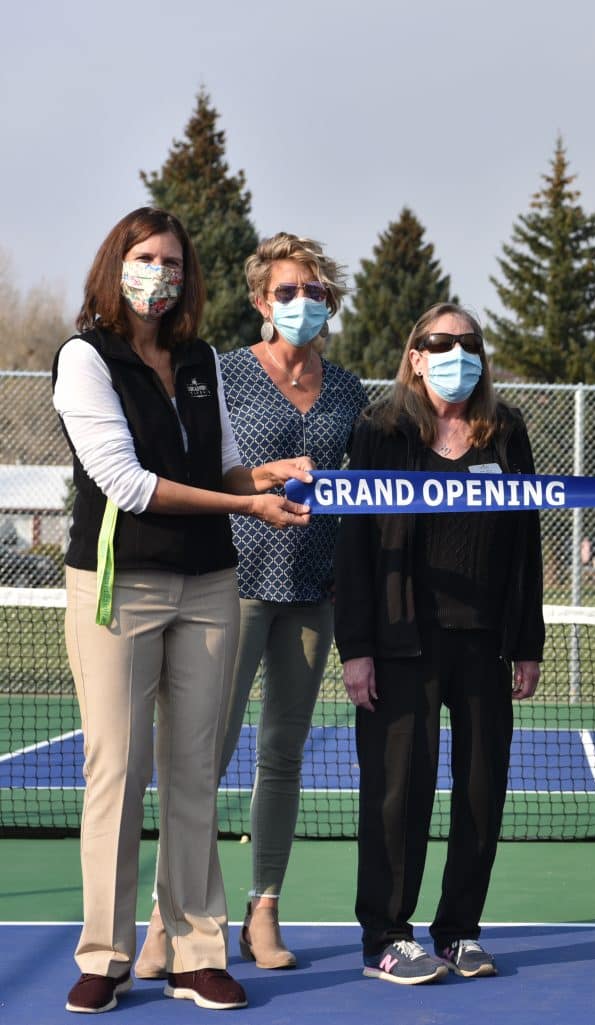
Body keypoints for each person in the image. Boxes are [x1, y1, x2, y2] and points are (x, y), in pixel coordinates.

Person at [51, 207, 313, 1013]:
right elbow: (128, 485)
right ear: (116, 265)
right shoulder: (84, 358)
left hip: (209, 588)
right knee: (118, 774)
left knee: (195, 772)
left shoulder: (199, 359)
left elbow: (225, 467)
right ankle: (106, 953)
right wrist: (248, 508)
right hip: (118, 588)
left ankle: (199, 953)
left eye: (172, 262)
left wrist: (267, 478)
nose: (159, 274)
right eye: (145, 258)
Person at [136, 233, 368, 978]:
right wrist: (264, 477)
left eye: (316, 291)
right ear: (262, 300)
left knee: (284, 756)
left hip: (313, 594)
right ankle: (170, 918)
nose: (303, 303)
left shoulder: (348, 390)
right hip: (227, 587)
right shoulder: (223, 373)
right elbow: (204, 469)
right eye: (288, 291)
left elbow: (357, 491)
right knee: (201, 758)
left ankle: (263, 907)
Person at [333, 303, 544, 985]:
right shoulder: (380, 429)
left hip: (485, 642)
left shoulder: (505, 430)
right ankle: (387, 935)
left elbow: (528, 537)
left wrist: (528, 639)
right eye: (440, 341)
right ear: (414, 355)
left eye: (468, 342)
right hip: (400, 644)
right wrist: (356, 645)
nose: (456, 351)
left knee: (482, 792)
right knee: (399, 796)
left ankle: (458, 931)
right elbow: (356, 543)